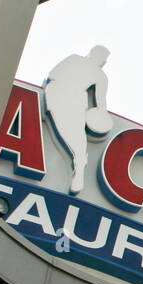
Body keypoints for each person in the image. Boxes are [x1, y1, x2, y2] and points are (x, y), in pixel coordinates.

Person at [43, 45, 111, 194]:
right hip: (61, 95)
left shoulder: (100, 76)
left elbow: (101, 103)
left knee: (78, 140)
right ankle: (79, 169)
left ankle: (79, 171)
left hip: (70, 98)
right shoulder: (77, 61)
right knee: (75, 139)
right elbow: (53, 74)